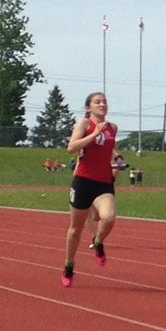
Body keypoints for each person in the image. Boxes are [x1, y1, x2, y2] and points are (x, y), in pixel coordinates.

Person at [61, 91, 121, 287]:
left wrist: (118, 159)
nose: (102, 104)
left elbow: (110, 148)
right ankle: (69, 265)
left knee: (108, 217)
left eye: (104, 101)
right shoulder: (84, 124)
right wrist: (95, 134)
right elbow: (71, 147)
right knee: (75, 229)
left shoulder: (112, 128)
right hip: (83, 181)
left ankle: (98, 241)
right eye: (97, 102)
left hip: (103, 182)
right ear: (89, 107)